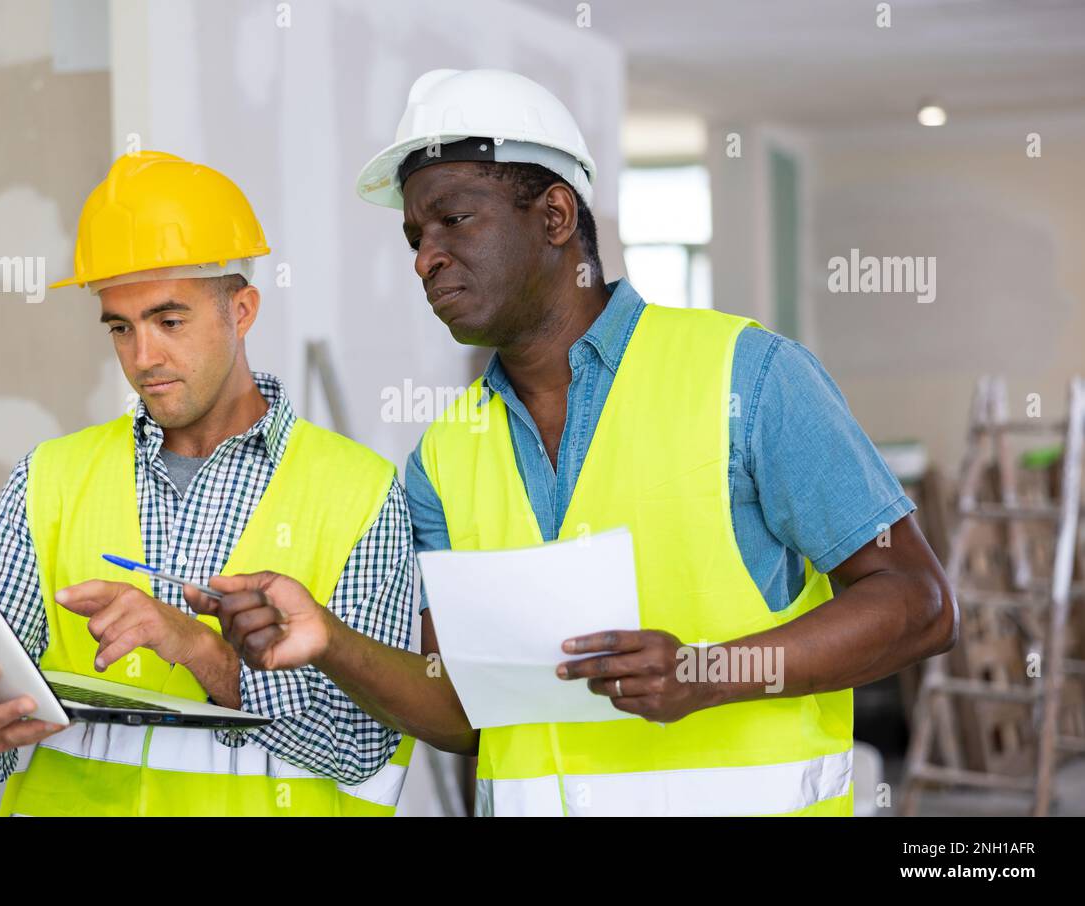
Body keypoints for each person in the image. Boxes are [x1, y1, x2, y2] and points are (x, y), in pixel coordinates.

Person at [189, 70, 958, 817]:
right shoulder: (444, 457)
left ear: (556, 217)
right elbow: (463, 710)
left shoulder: (749, 378)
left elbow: (918, 604)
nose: (427, 257)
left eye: (454, 220)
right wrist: (329, 640)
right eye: (415, 235)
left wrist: (708, 672)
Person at [0, 151, 414, 816]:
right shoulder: (48, 478)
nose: (143, 358)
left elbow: (359, 747)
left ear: (241, 310)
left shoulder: (360, 492)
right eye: (120, 328)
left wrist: (196, 648)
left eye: (169, 321)